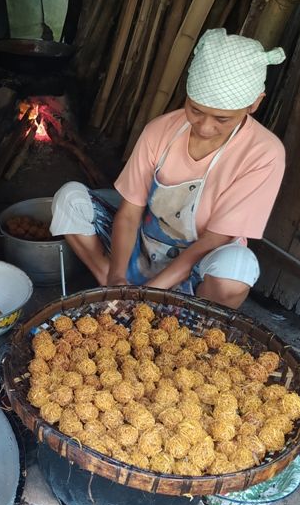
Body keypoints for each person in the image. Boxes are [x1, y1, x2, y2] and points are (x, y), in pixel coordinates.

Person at [50, 29, 287, 309]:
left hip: (200, 261)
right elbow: (129, 213)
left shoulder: (264, 153)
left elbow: (214, 239)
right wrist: (116, 276)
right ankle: (116, 293)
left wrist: (150, 293)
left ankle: (186, 317)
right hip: (144, 246)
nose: (205, 126)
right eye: (195, 110)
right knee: (70, 199)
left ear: (255, 103)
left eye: (222, 118)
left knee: (237, 270)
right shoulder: (160, 131)